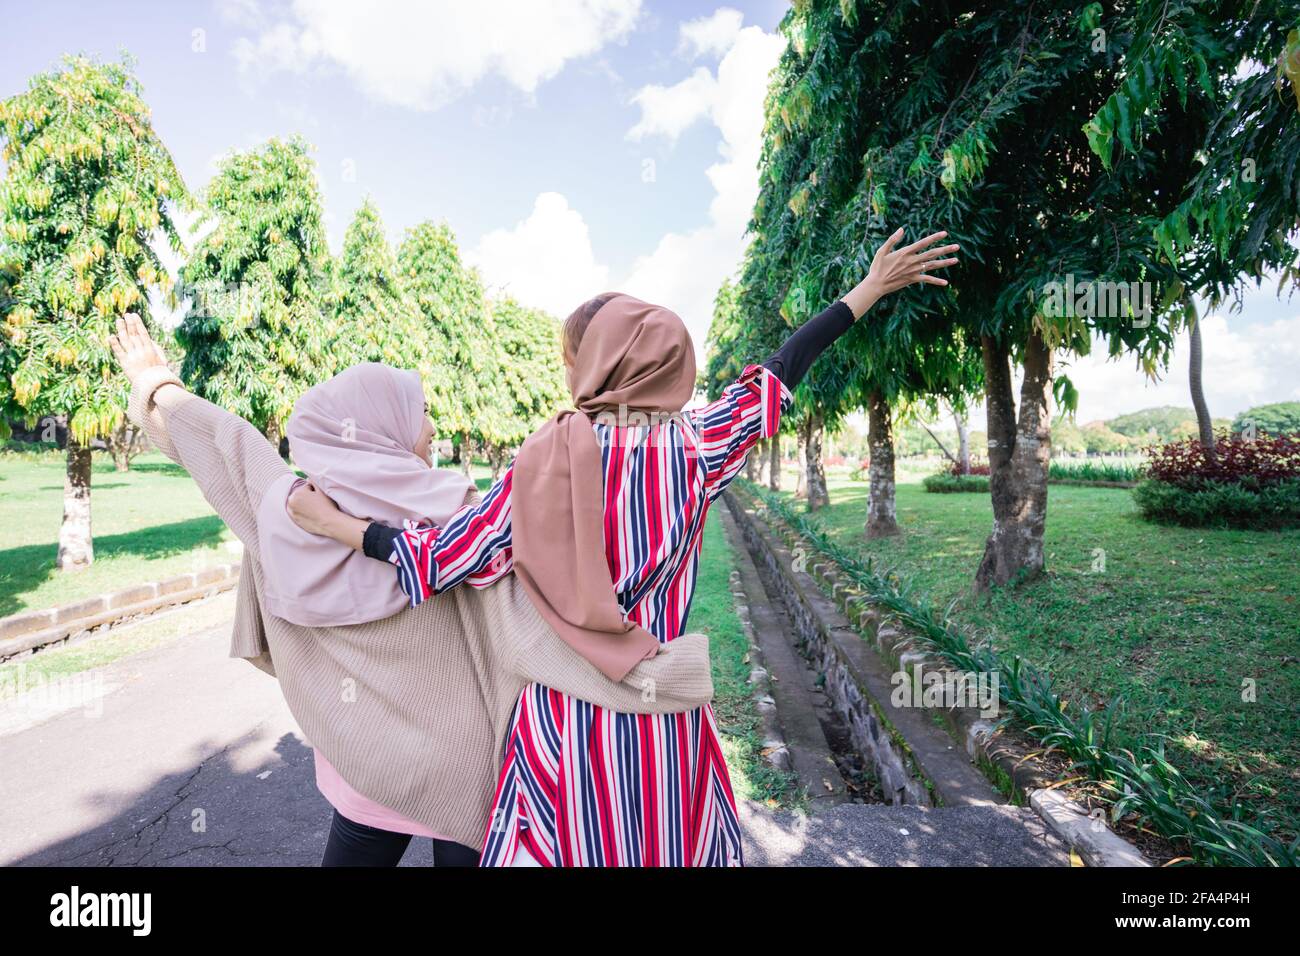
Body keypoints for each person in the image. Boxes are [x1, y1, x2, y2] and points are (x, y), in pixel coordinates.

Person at [287, 227, 959, 866]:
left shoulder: (542, 457)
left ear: (595, 365)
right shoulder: (696, 447)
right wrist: (868, 289)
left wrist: (336, 527)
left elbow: (440, 561)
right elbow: (782, 372)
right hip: (660, 714)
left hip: (561, 723)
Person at [108, 315, 716, 867]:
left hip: (368, 770)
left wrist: (156, 383)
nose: (431, 426)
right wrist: (650, 672)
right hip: (467, 774)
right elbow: (547, 609)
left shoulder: (291, 511)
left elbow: (227, 444)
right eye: (420, 412)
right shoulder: (457, 513)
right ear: (388, 426)